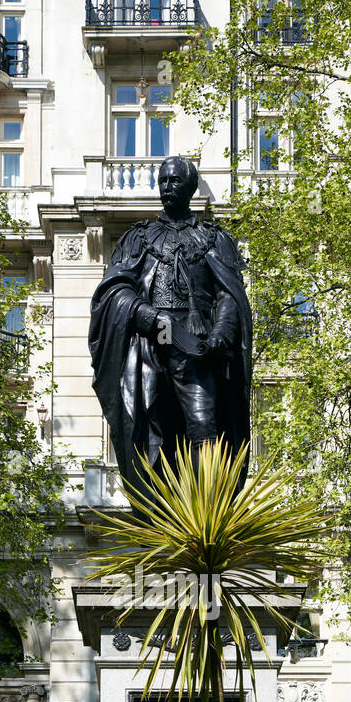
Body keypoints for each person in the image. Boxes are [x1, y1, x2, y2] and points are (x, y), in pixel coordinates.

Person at [89, 156, 252, 500]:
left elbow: (229, 293)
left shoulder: (214, 238)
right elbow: (114, 289)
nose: (166, 186)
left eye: (174, 181)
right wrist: (147, 316)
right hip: (153, 340)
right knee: (152, 424)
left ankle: (207, 504)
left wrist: (221, 330)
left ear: (191, 187)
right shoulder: (139, 237)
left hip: (197, 346)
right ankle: (159, 505)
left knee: (203, 423)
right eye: (163, 181)